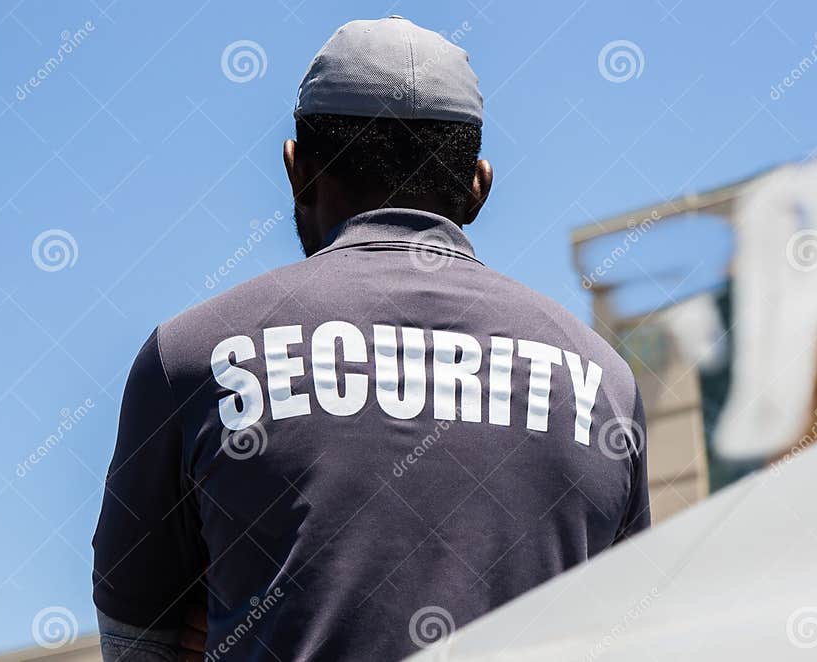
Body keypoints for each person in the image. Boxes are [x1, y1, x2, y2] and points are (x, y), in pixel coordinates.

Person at [92, 16, 649, 662]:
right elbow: (638, 633)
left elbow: (135, 646)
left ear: (298, 170)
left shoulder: (189, 357)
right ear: (479, 187)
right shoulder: (606, 384)